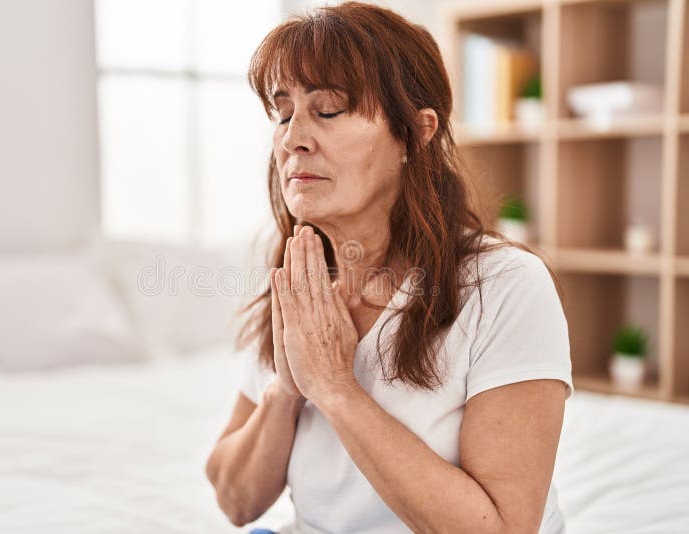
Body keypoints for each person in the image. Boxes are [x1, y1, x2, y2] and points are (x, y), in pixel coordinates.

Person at [205, 2, 573, 533]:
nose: (292, 139)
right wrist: (288, 389)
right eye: (284, 113)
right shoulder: (300, 282)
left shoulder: (506, 286)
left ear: (414, 135)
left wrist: (335, 387)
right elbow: (235, 501)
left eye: (328, 109)